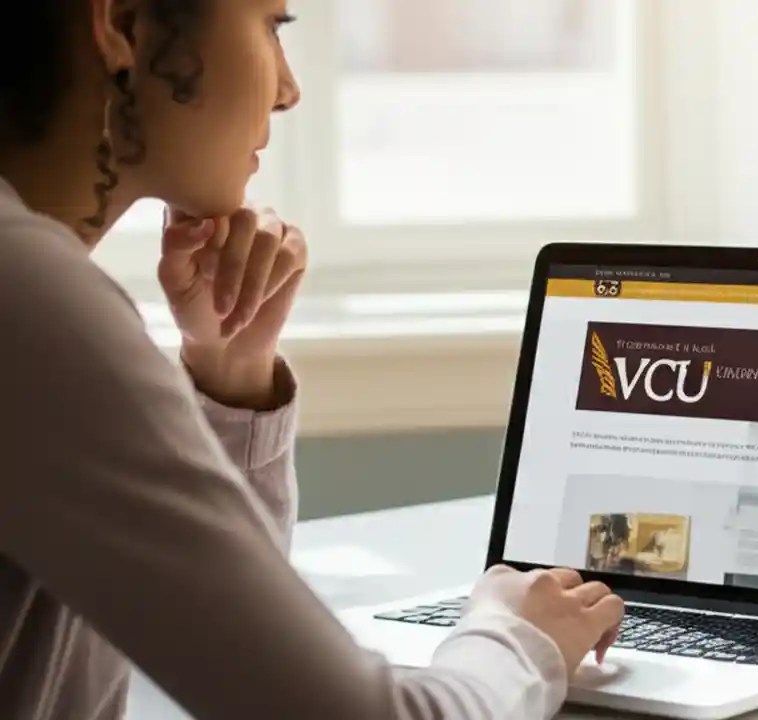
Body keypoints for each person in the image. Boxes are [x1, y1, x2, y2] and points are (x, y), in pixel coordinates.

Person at [0, 1, 623, 718]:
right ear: (123, 24)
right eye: (272, 25)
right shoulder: (25, 296)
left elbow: (229, 658)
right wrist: (519, 635)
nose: (289, 89)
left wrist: (231, 377)